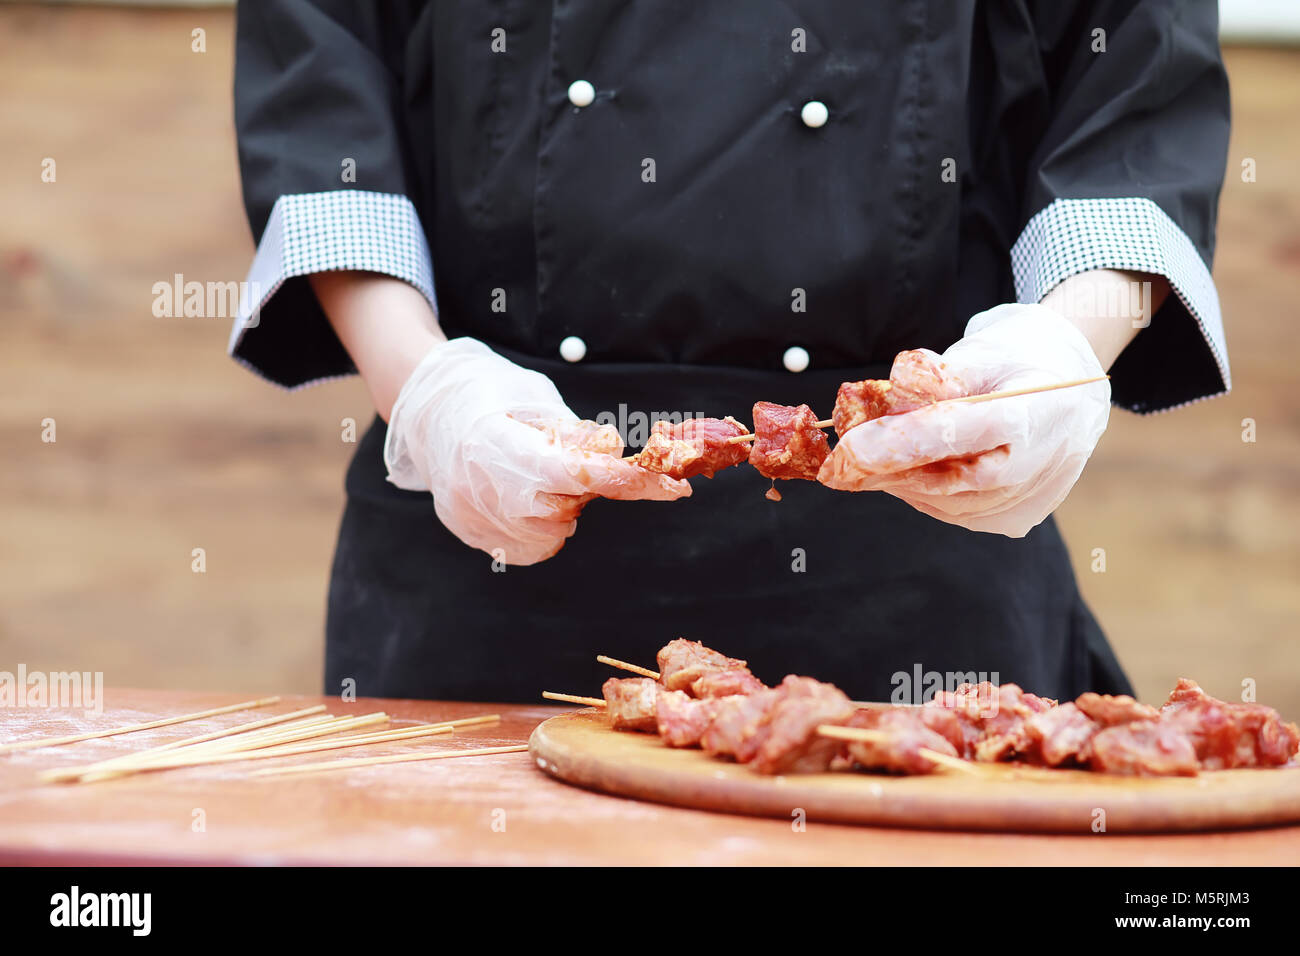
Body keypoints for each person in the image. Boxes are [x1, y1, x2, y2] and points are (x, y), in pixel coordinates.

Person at [229, 1, 1230, 704]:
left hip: (916, 564)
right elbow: (323, 67)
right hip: (486, 542)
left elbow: (1133, 92)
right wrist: (429, 391)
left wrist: (1062, 349)